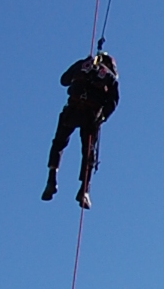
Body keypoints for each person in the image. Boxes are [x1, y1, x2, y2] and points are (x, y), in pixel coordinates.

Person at [42, 51, 119, 209]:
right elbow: (113, 100)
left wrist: (82, 67)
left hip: (74, 110)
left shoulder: (84, 65)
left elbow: (64, 80)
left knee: (59, 144)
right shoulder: (110, 77)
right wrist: (103, 116)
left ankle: (52, 179)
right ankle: (84, 190)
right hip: (90, 116)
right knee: (88, 153)